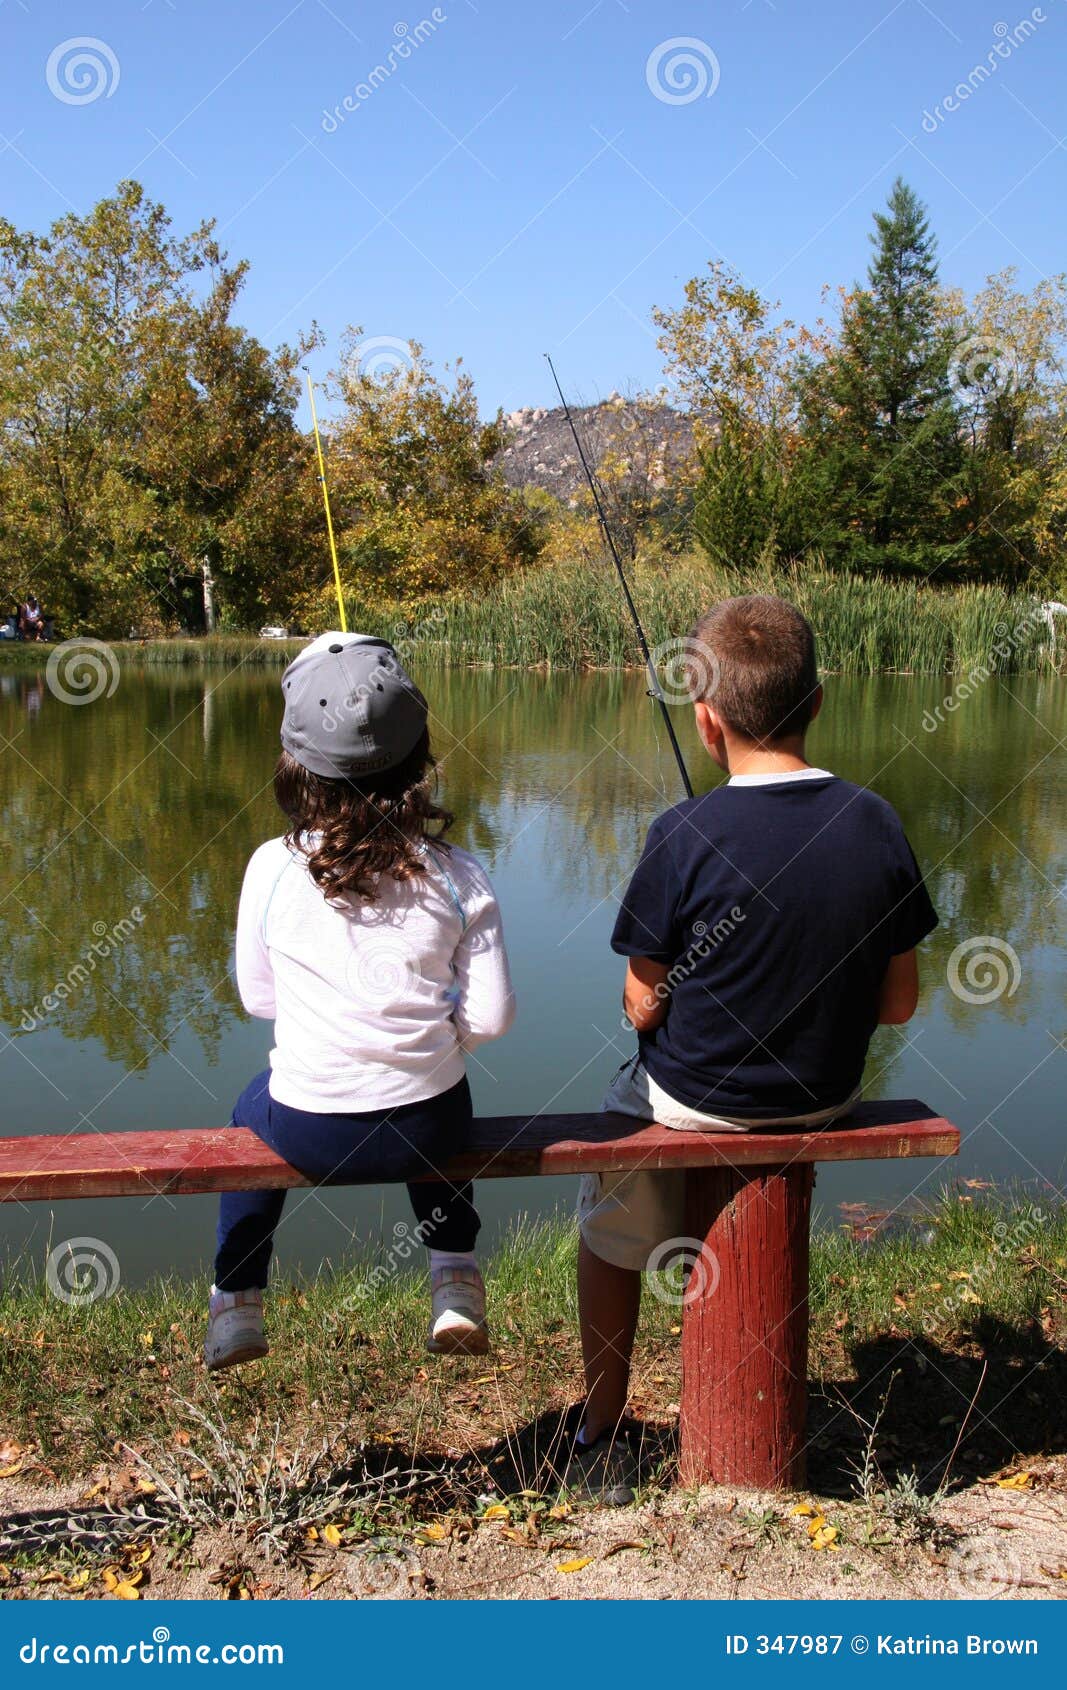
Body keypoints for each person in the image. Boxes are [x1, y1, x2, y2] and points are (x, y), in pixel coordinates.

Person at [573, 595, 938, 1502]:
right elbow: (896, 1006)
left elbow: (643, 1006)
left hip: (696, 1102)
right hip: (823, 1094)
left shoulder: (681, 834)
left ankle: (599, 1423)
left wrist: (648, 1007)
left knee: (610, 1225)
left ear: (704, 719)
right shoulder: (876, 823)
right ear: (817, 704)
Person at [205, 632, 515, 1370]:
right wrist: (423, 1042)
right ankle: (454, 1282)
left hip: (308, 1131)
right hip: (429, 1132)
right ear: (420, 758)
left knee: (251, 1106)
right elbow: (492, 1018)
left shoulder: (269, 868)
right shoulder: (458, 874)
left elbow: (257, 998)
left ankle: (237, 1302)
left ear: (296, 764)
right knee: (447, 1088)